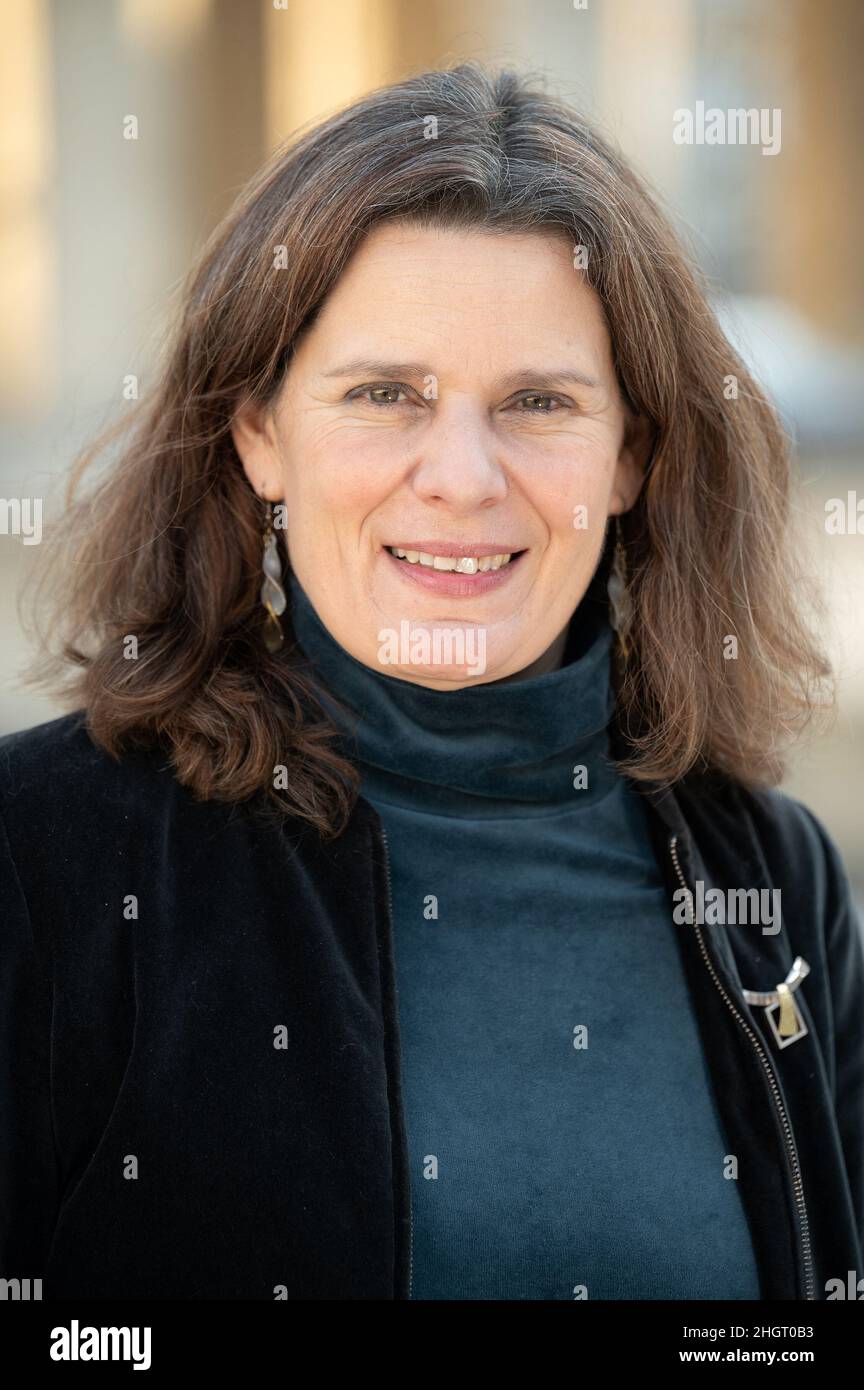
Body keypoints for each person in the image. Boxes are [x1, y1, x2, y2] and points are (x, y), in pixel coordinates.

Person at [1, 62, 861, 1302]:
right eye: (386, 394)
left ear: (632, 455)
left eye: (540, 402)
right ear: (257, 433)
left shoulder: (770, 881)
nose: (462, 475)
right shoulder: (48, 861)